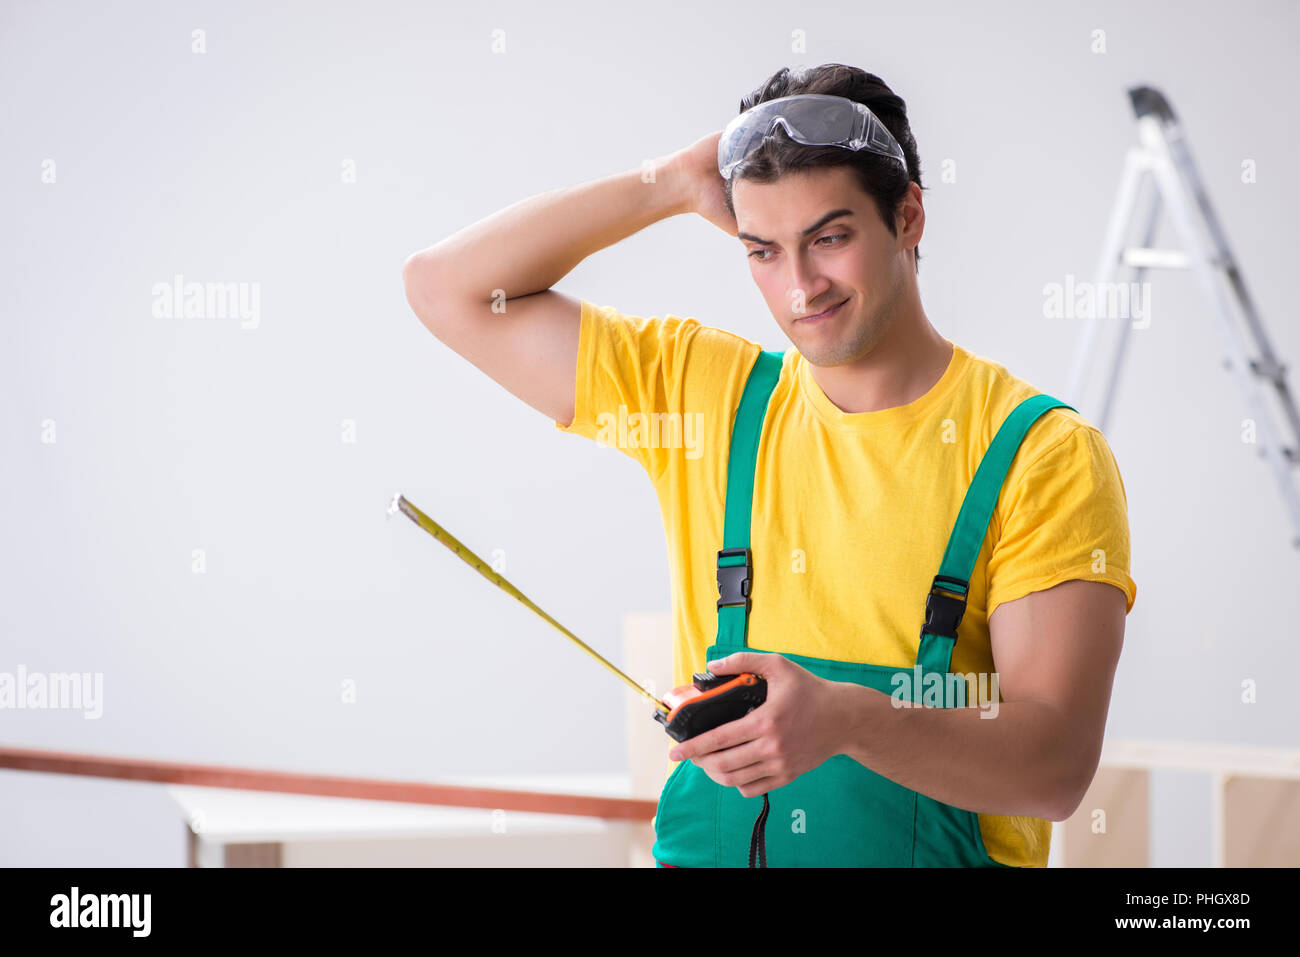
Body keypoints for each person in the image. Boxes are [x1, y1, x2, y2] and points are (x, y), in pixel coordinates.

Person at [401, 63, 1136, 868]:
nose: (799, 288)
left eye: (830, 237)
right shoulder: (703, 397)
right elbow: (446, 289)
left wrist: (853, 719)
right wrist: (674, 183)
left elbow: (1055, 764)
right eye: (762, 250)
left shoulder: (1040, 454)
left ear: (909, 216)